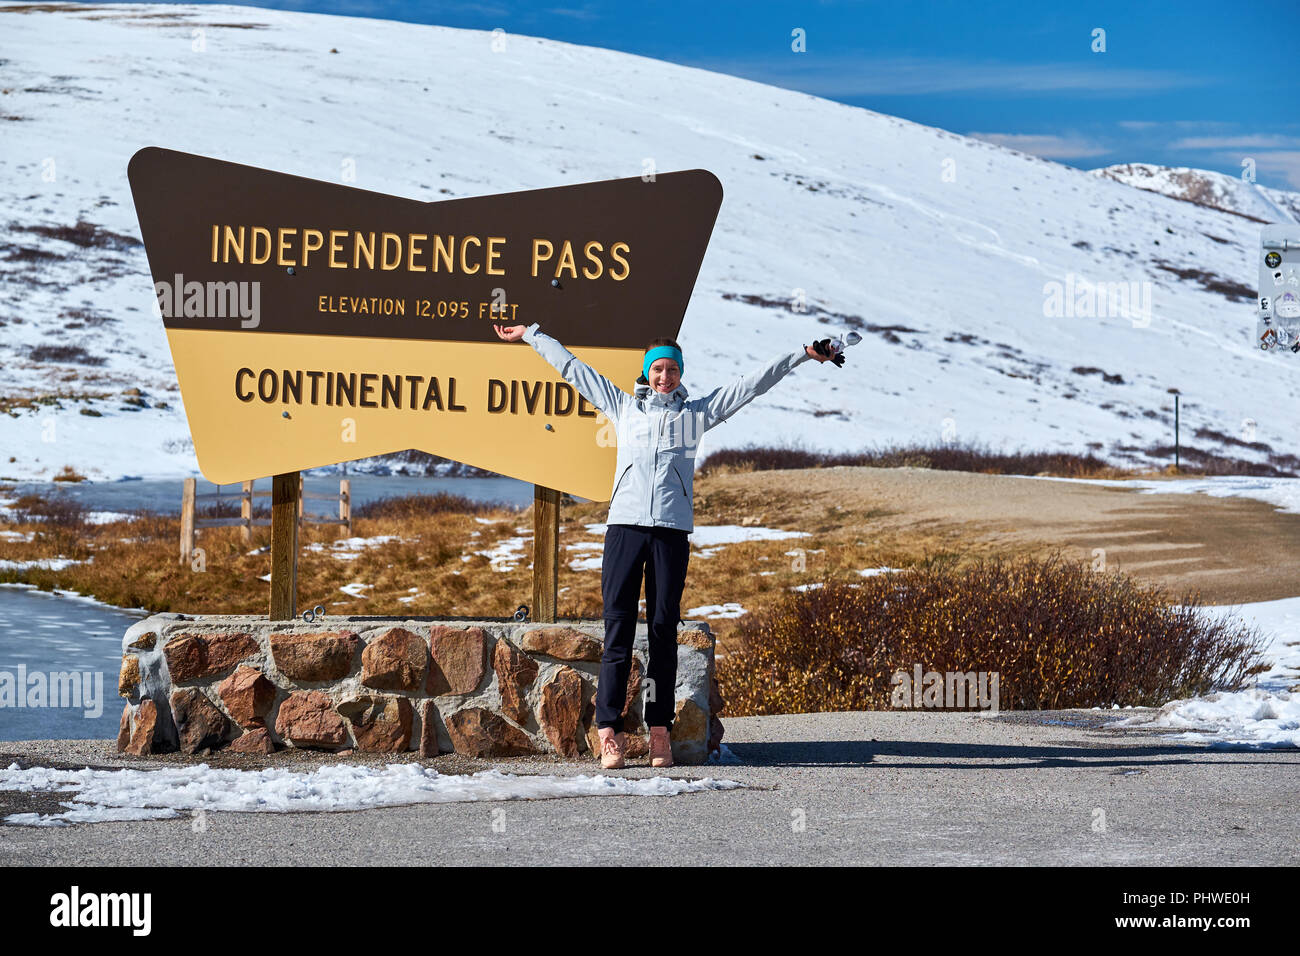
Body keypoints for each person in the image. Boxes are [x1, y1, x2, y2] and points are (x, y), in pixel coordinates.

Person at [493, 321, 840, 769]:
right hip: (625, 529)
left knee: (662, 632)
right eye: (657, 369)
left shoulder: (695, 416)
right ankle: (609, 733)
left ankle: (660, 732)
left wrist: (804, 354)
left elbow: (752, 385)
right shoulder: (623, 406)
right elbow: (574, 369)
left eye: (672, 370)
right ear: (647, 372)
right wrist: (532, 335)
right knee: (618, 631)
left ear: (680, 373)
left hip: (671, 532)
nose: (664, 377)